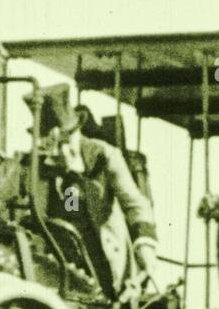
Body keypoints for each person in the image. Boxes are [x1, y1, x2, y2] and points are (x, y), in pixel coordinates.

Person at [24, 84, 158, 295]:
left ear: (78, 131)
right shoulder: (33, 166)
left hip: (104, 258)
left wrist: (145, 246)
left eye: (67, 141)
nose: (63, 151)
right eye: (54, 145)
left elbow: (135, 203)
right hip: (61, 265)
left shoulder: (104, 155)